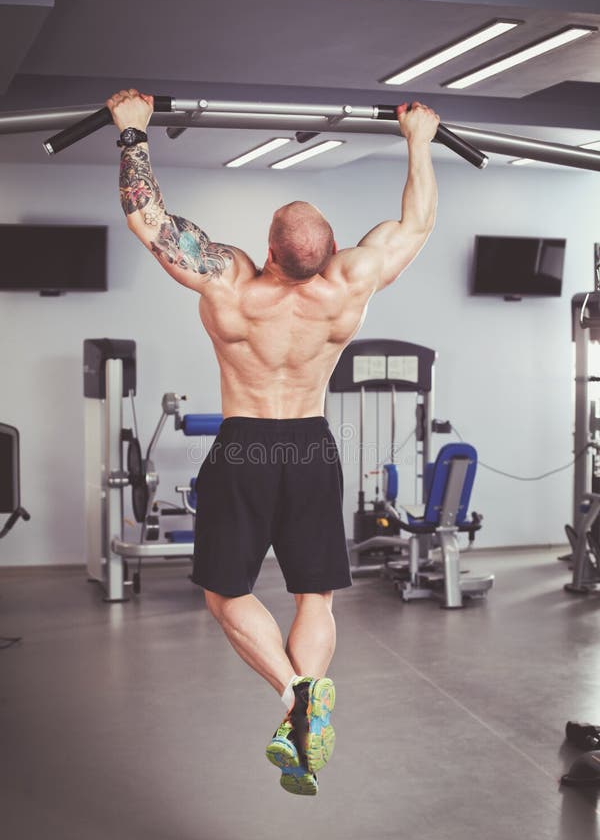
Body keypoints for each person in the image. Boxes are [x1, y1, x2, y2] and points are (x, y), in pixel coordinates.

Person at [106, 89, 439, 796]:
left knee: (227, 596)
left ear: (267, 248)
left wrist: (134, 132)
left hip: (245, 445)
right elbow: (416, 223)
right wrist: (419, 138)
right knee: (314, 597)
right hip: (312, 446)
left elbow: (148, 220)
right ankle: (307, 699)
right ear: (327, 252)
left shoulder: (229, 282)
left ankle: (295, 696)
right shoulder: (352, 282)